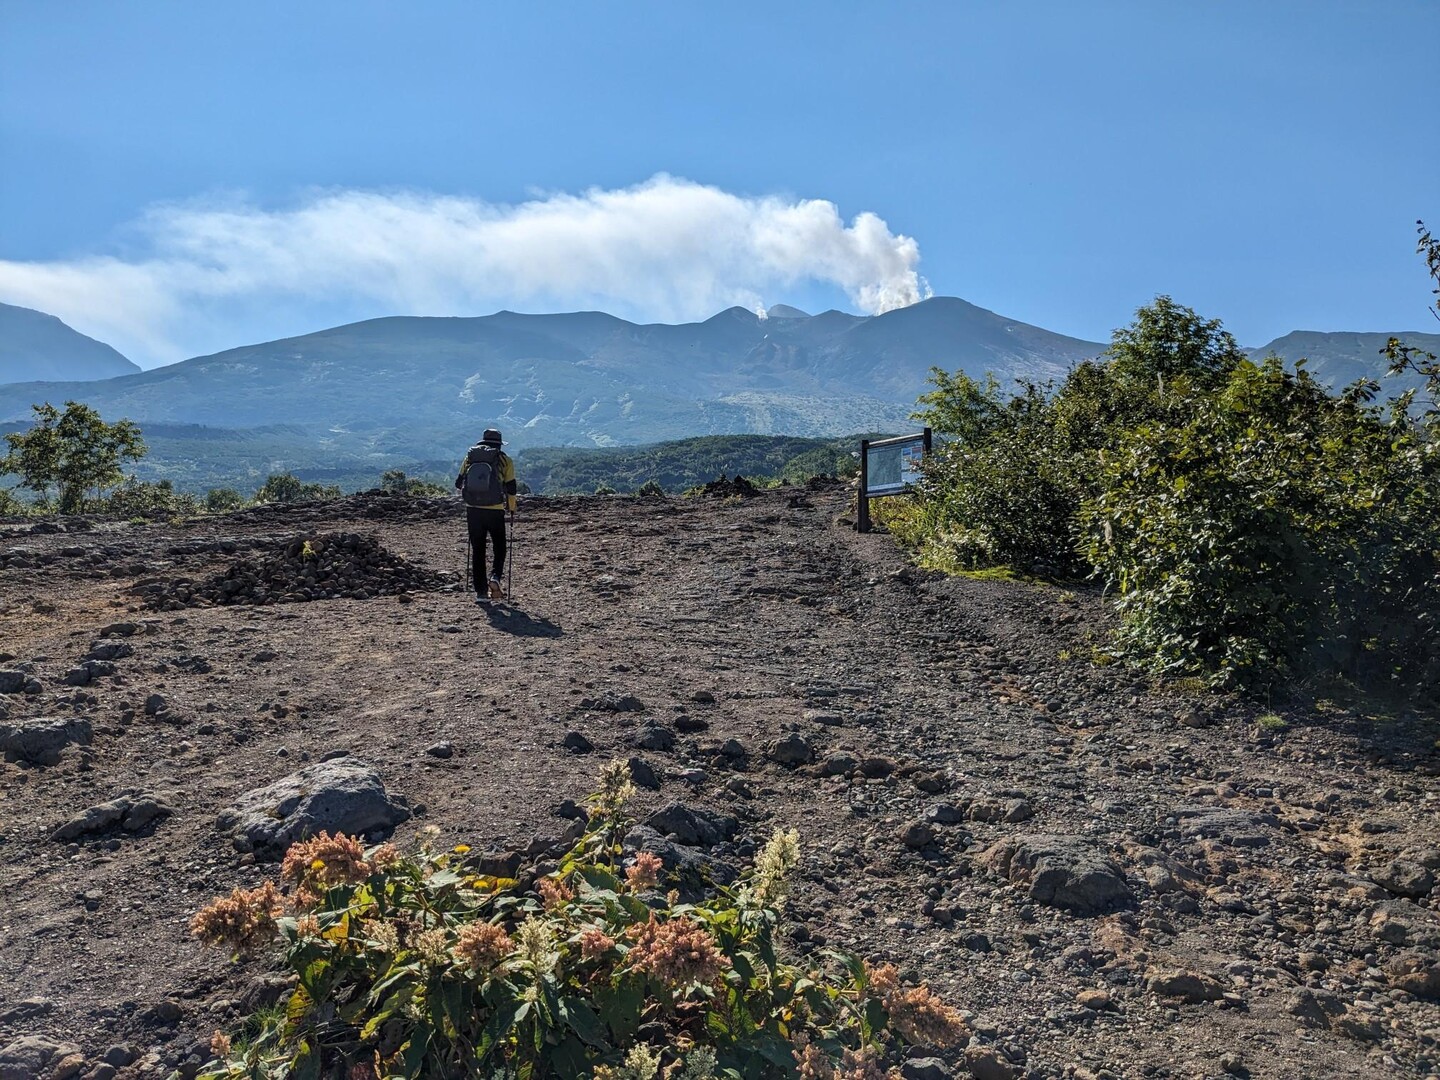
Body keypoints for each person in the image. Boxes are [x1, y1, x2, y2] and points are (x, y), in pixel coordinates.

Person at [455, 428, 518, 601]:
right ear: (499, 444)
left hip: (473, 509)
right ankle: (495, 577)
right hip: (495, 509)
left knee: (478, 550)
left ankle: (481, 592)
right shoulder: (505, 460)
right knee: (500, 547)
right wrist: (512, 508)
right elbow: (511, 487)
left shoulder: (470, 457)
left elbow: (458, 483)